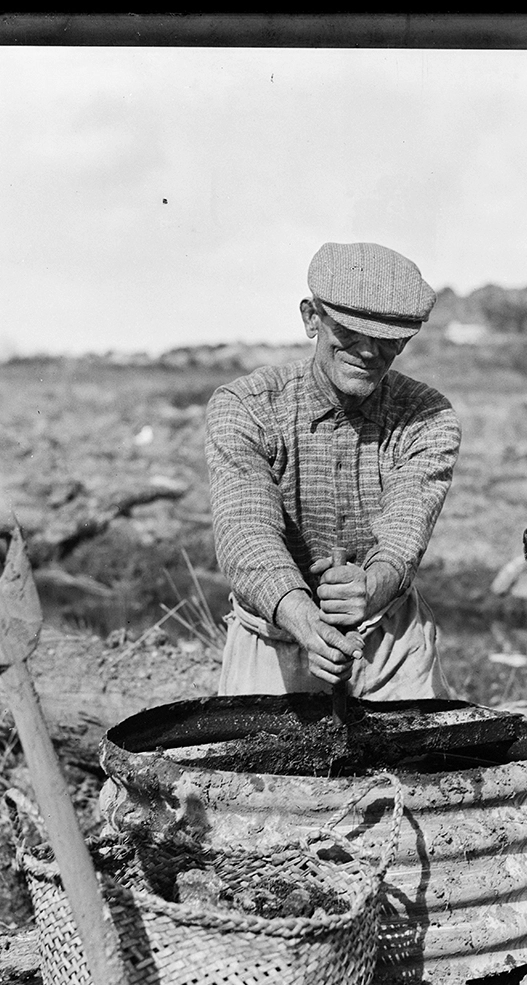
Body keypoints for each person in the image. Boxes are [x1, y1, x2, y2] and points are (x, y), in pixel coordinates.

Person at [205, 241, 461, 701]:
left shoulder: (427, 416)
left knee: (425, 768)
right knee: (256, 771)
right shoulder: (246, 407)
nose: (368, 352)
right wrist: (300, 613)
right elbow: (245, 531)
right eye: (350, 331)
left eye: (389, 339)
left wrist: (373, 584)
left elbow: (404, 535)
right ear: (311, 318)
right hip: (274, 638)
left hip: (390, 641)